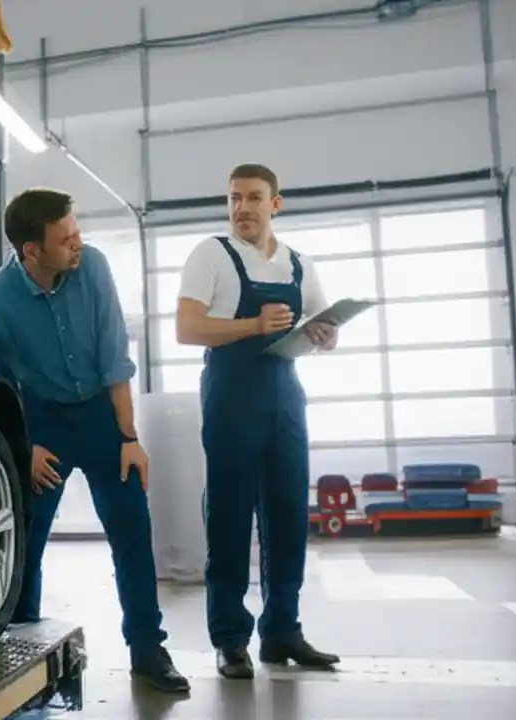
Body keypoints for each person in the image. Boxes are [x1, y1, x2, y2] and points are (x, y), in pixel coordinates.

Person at [0, 188, 190, 694]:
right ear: (31, 251)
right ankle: (19, 653)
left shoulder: (94, 268)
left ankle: (148, 651)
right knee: (23, 540)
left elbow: (114, 355)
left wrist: (129, 436)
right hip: (37, 422)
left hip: (99, 416)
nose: (78, 244)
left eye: (78, 232)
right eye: (66, 239)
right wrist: (23, 450)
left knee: (132, 529)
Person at [174, 163, 341, 679]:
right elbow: (187, 327)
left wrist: (325, 336)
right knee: (228, 518)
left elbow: (322, 323)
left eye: (252, 198)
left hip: (286, 396)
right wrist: (253, 324)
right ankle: (230, 640)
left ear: (276, 204)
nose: (242, 208)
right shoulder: (211, 255)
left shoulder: (298, 264)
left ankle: (282, 632)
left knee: (289, 516)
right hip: (231, 398)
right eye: (234, 198)